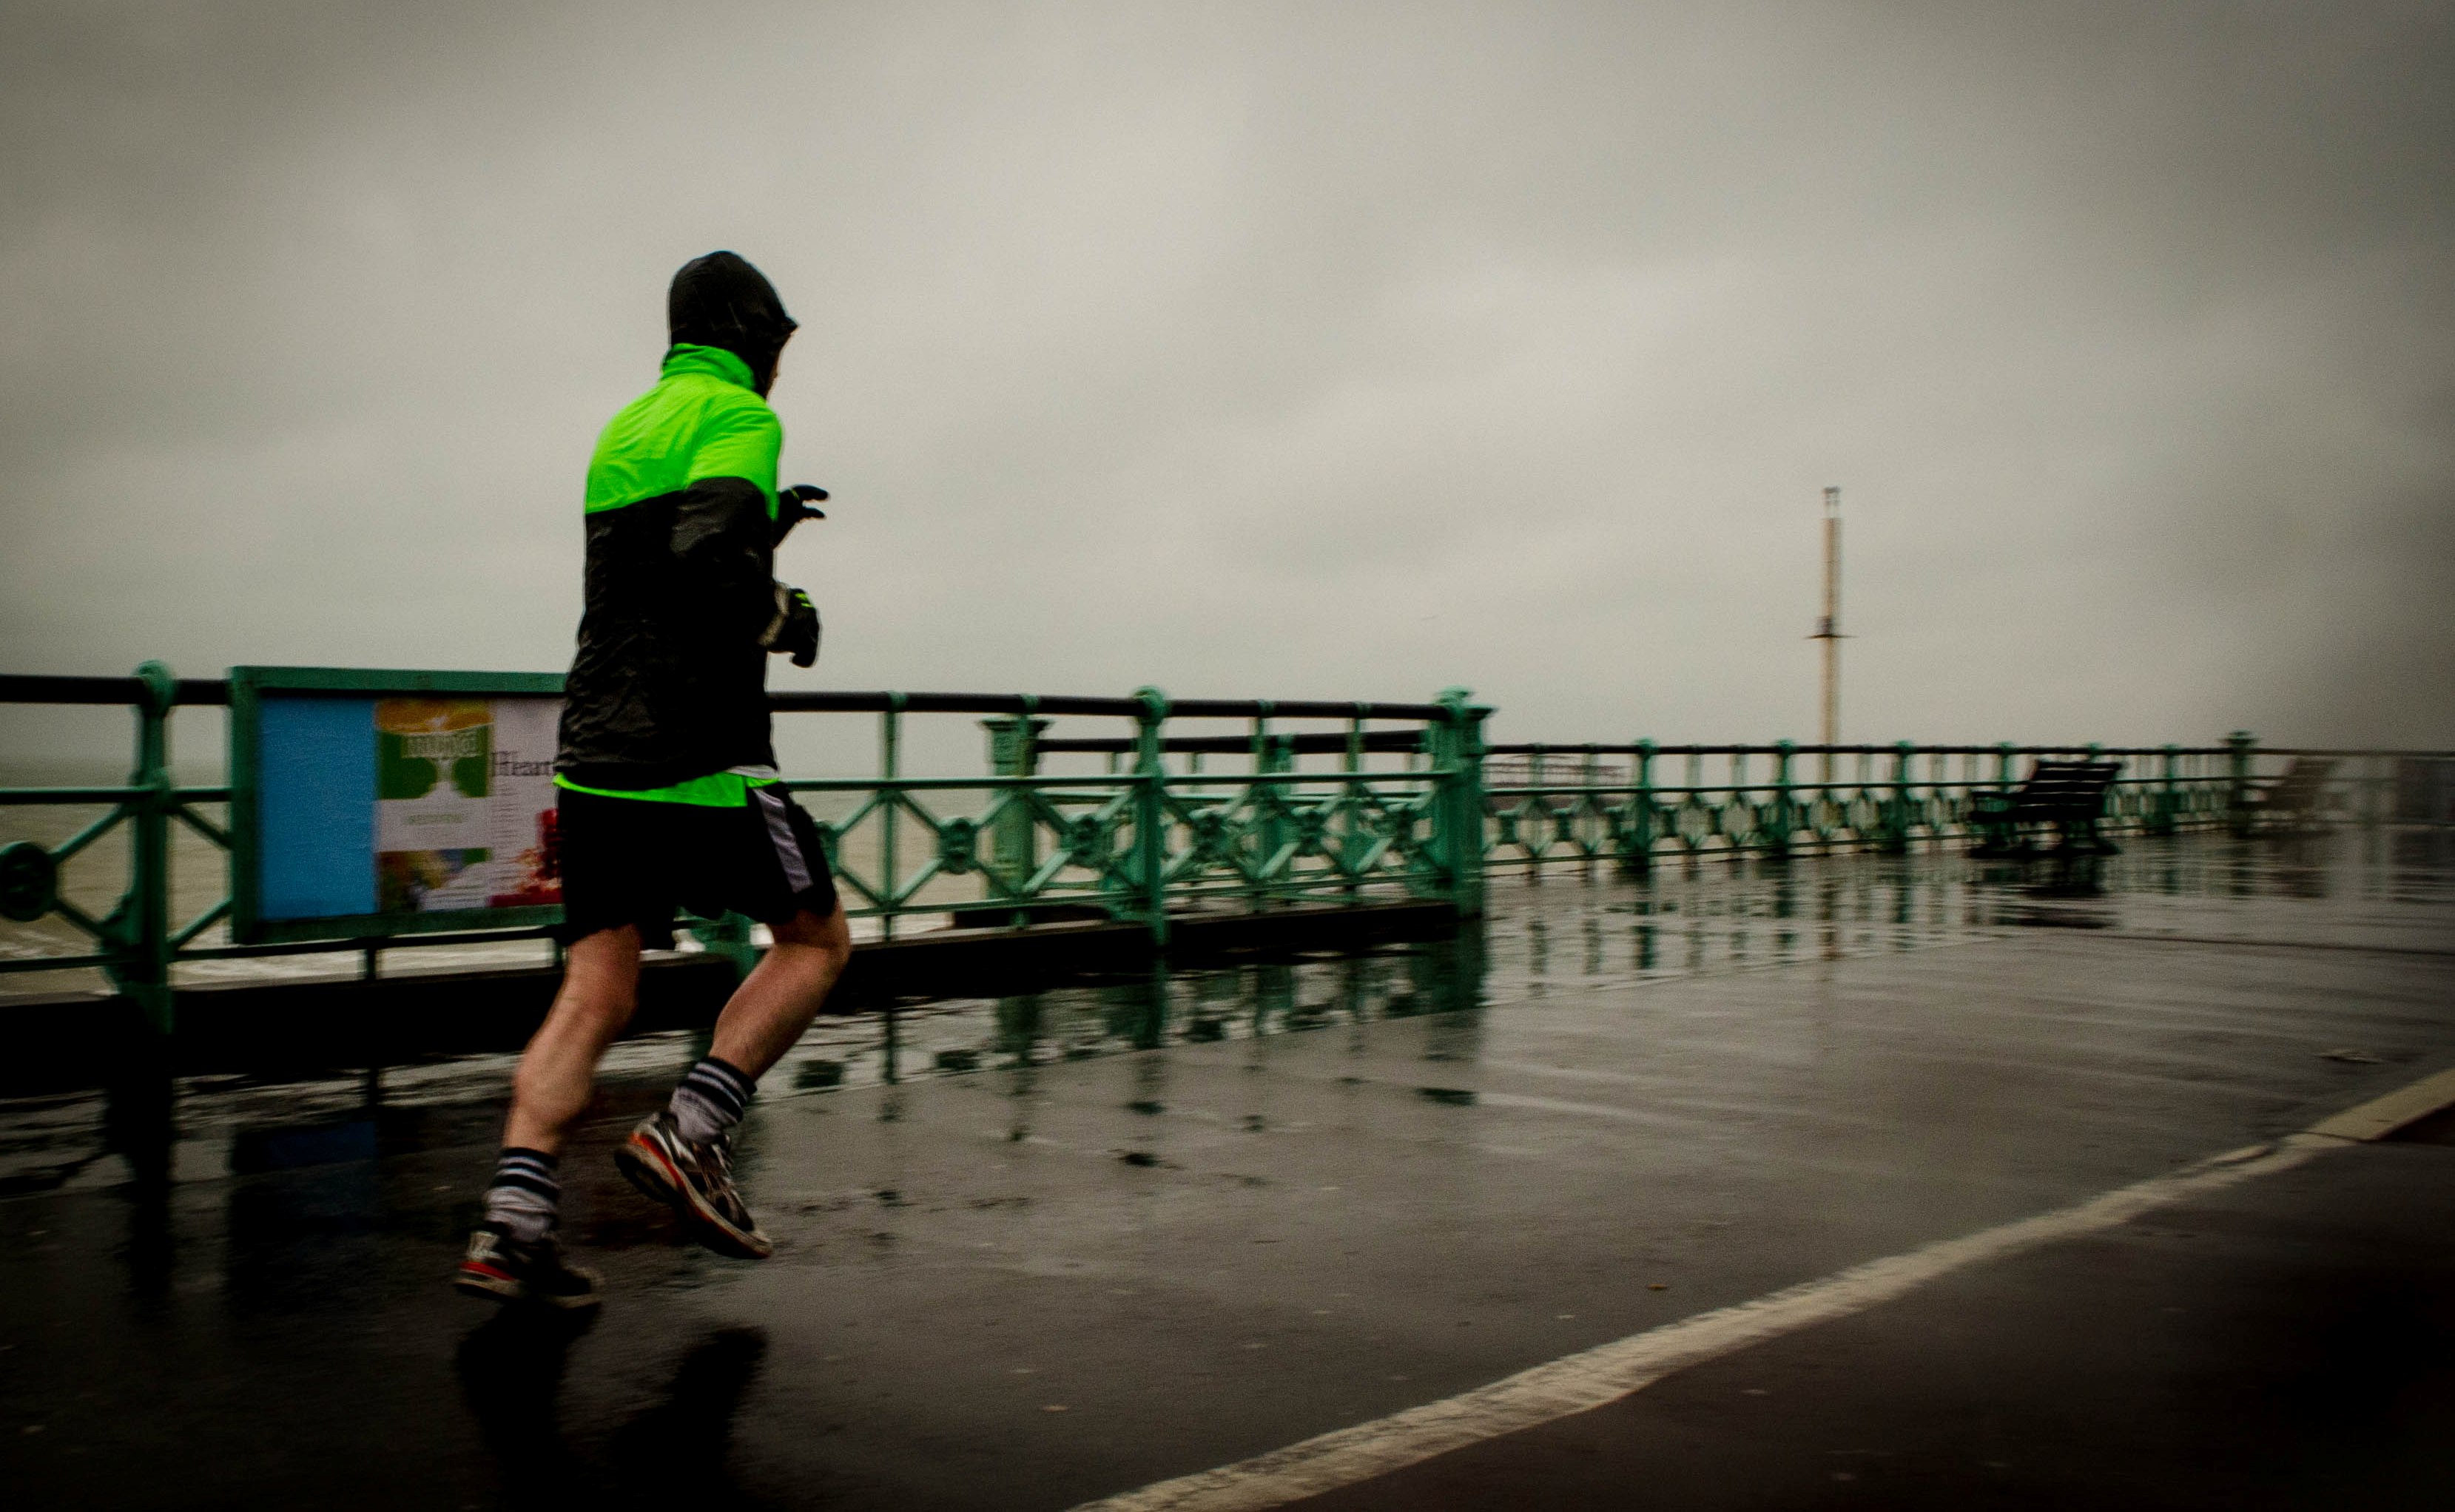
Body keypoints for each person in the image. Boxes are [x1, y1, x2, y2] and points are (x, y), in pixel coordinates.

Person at [457, 251, 851, 1309]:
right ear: (747, 328)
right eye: (776, 336)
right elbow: (704, 565)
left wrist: (760, 530)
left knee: (597, 989)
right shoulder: (742, 420)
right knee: (815, 940)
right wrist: (786, 614)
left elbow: (651, 563)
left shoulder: (626, 426)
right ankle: (692, 1128)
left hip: (595, 753)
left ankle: (514, 1222)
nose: (779, 361)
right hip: (701, 756)